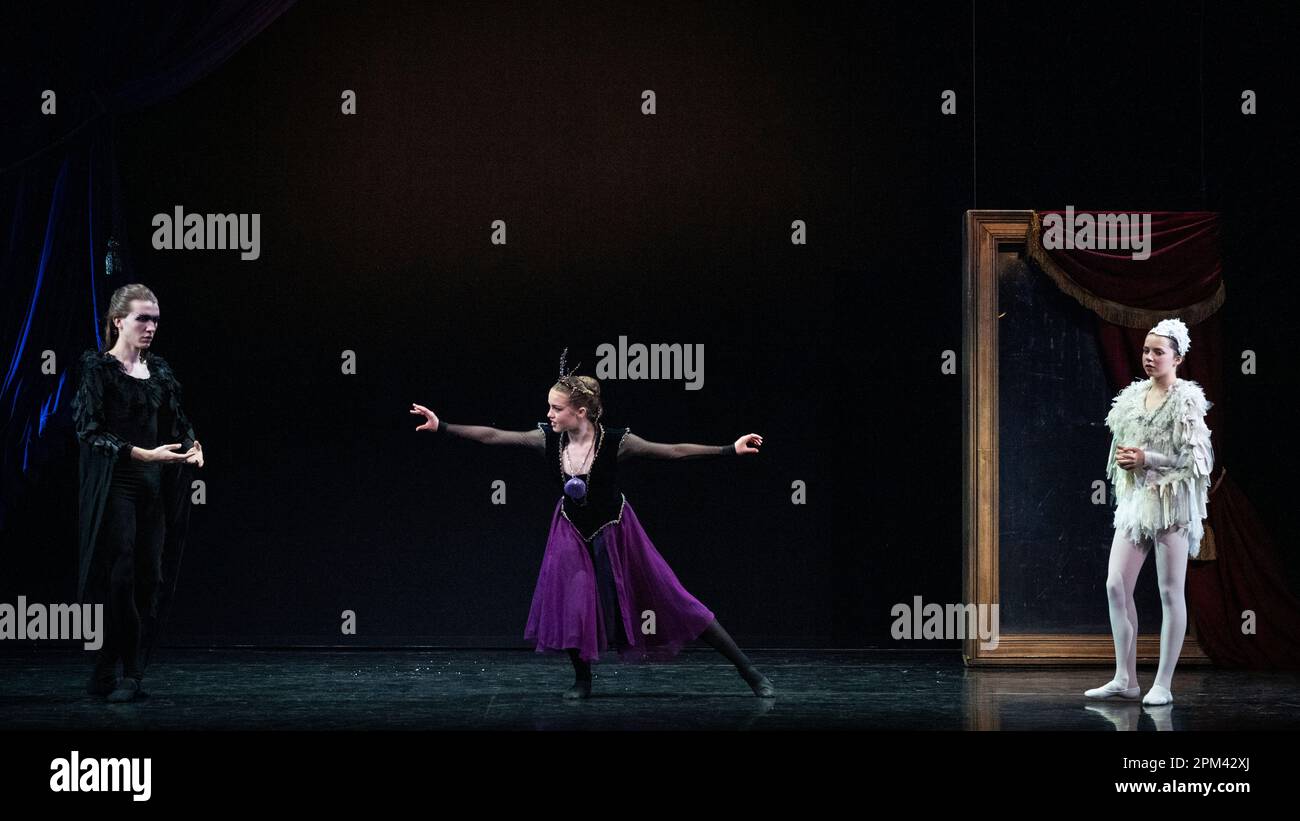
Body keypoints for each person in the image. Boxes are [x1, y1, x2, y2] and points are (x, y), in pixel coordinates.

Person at [410, 349, 775, 699]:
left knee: (671, 595)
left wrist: (729, 449)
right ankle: (582, 680)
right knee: (573, 603)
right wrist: (442, 425)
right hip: (569, 526)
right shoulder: (547, 440)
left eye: (557, 408)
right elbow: (493, 436)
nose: (549, 414)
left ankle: (749, 672)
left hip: (615, 525)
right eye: (549, 408)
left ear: (580, 412)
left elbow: (673, 450)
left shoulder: (618, 442)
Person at [73, 283, 204, 703]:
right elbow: (89, 431)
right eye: (142, 319)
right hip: (117, 485)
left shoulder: (160, 372)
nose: (150, 327)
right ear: (118, 322)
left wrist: (194, 447)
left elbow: (180, 423)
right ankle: (128, 672)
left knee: (150, 577)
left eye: (155, 320)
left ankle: (108, 665)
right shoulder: (98, 370)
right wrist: (139, 453)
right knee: (121, 575)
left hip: (153, 489)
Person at [1085, 318, 1213, 706]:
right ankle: (1124, 678)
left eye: (1159, 351)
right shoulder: (1130, 397)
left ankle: (1163, 684)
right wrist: (1126, 460)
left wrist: (1147, 458)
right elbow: (1122, 449)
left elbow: (1197, 458)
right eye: (1146, 350)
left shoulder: (1185, 399)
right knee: (1114, 585)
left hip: (1171, 504)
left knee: (1170, 591)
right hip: (1136, 504)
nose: (1150, 357)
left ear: (1177, 357)